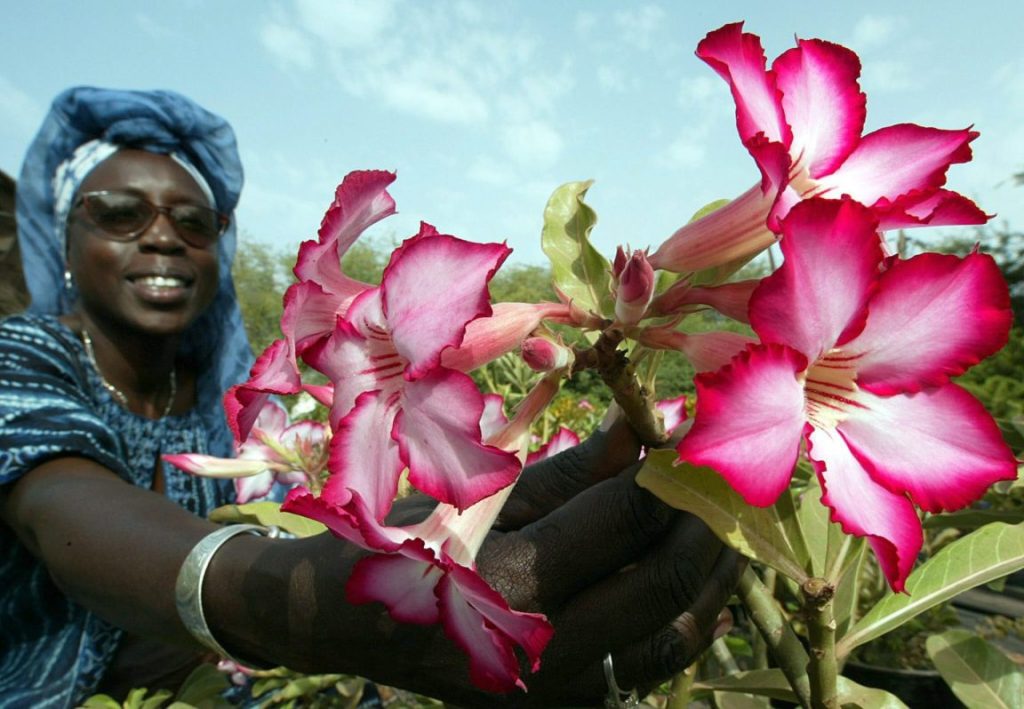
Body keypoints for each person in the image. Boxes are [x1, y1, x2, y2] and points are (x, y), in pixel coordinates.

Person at [0, 87, 741, 708]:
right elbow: (55, 503)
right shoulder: (19, 356)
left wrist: (415, 526)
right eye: (121, 212)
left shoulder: (210, 384)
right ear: (61, 241)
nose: (163, 237)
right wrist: (282, 601)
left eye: (196, 222)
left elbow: (367, 490)